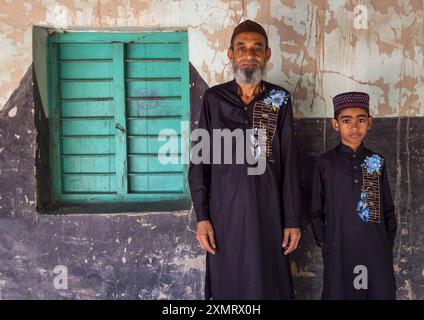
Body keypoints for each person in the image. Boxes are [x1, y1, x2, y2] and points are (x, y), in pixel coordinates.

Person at [188, 19, 302, 299]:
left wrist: (292, 220)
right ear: (231, 55)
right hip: (225, 216)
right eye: (242, 48)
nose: (249, 54)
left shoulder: (279, 99)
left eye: (257, 48)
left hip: (269, 214)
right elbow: (200, 162)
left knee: (269, 284)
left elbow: (290, 164)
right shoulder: (214, 99)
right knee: (229, 286)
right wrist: (202, 217)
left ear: (267, 55)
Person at [310, 91, 397, 299]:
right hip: (339, 249)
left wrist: (385, 241)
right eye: (346, 120)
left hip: (375, 248)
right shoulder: (326, 163)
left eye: (361, 120)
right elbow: (316, 209)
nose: (354, 127)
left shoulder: (376, 161)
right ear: (335, 124)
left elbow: (387, 208)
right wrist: (326, 242)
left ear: (370, 122)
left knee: (377, 292)